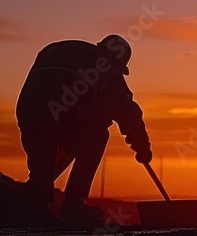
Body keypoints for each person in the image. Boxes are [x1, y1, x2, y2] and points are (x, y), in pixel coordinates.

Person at [16, 35, 152, 223]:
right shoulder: (107, 71)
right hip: (53, 118)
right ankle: (71, 205)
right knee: (97, 136)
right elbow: (127, 111)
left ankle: (35, 199)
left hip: (29, 115)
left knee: (47, 154)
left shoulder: (66, 51)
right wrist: (142, 146)